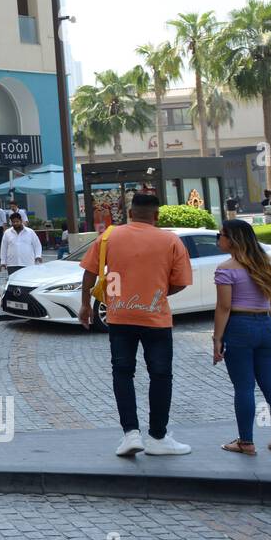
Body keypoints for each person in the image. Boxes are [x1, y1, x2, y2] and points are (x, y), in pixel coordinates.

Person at [80, 193, 194, 458]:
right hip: (156, 318)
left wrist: (86, 305)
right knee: (161, 375)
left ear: (130, 213)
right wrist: (156, 293)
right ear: (156, 216)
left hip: (119, 317)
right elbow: (180, 282)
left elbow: (89, 272)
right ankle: (158, 436)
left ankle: (131, 434)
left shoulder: (109, 237)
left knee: (122, 373)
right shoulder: (171, 240)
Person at [212, 220, 271, 456]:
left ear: (232, 239)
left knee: (244, 387)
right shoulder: (264, 264)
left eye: (221, 234)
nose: (219, 239)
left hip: (239, 326)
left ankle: (246, 442)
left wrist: (217, 338)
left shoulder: (226, 268)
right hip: (266, 327)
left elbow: (224, 307)